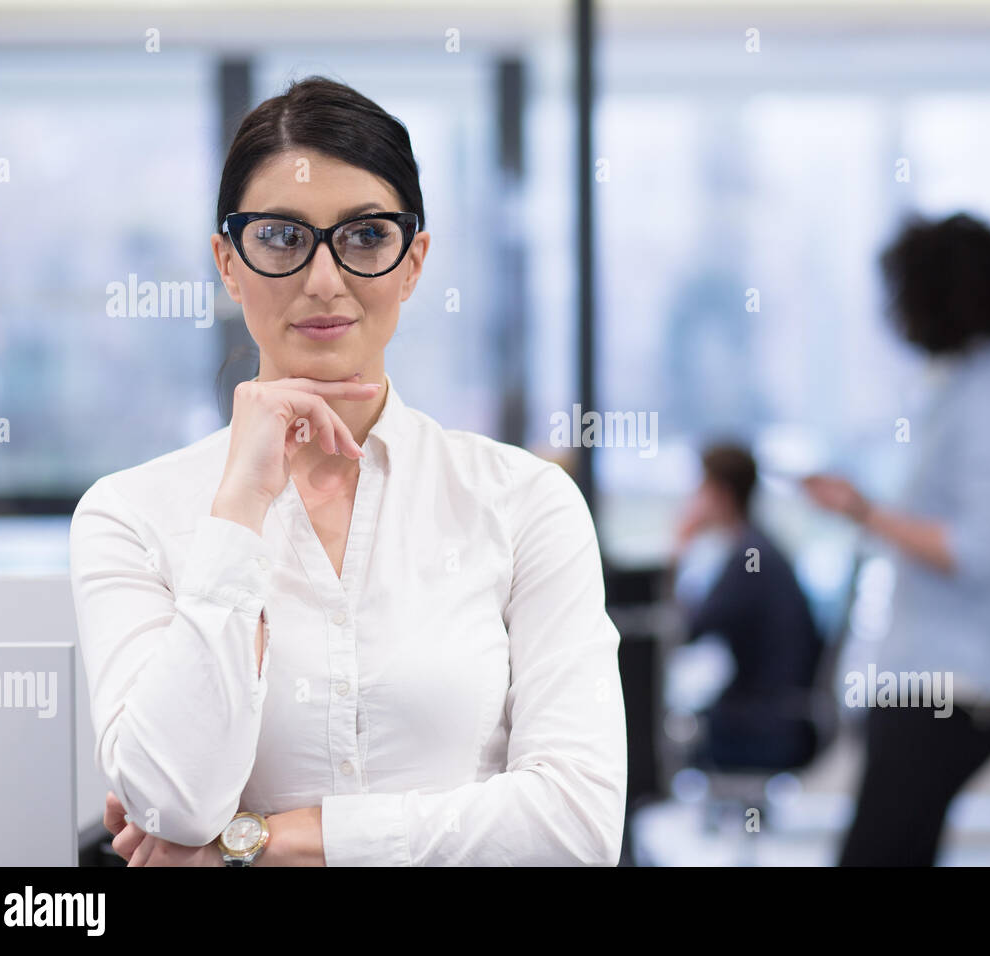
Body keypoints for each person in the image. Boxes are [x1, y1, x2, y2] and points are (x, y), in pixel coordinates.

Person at [69, 76, 627, 867]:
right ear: (228, 264)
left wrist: (256, 841)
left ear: (413, 262)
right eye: (282, 238)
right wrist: (241, 505)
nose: (325, 280)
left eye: (366, 237)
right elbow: (171, 801)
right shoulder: (130, 514)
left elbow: (576, 825)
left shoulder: (525, 502)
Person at [803, 213, 990, 866]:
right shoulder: (963, 393)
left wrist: (862, 510)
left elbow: (976, 551)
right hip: (927, 682)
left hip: (952, 692)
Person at [673, 443, 827, 772]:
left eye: (701, 489)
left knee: (661, 731)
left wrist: (679, 549)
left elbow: (687, 629)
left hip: (764, 726)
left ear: (720, 493)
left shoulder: (750, 559)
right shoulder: (758, 547)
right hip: (778, 716)